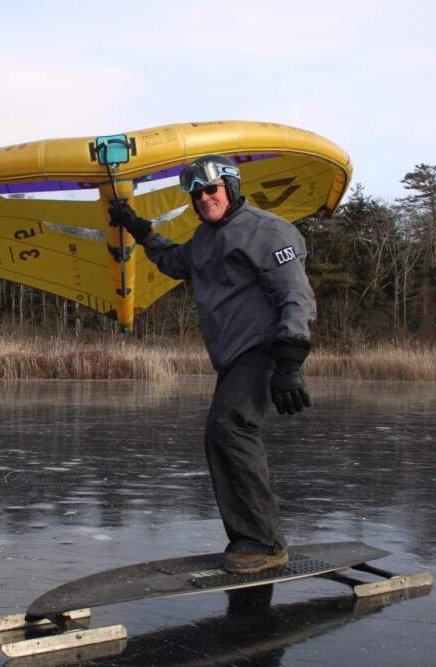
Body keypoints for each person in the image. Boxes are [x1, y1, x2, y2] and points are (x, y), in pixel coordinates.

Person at [109, 155, 316, 574]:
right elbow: (172, 261)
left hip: (262, 349)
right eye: (197, 194)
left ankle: (265, 542)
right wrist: (138, 227)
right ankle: (248, 539)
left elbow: (296, 295)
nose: (204, 198)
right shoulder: (205, 240)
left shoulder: (266, 230)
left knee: (230, 428)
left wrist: (291, 362)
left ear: (232, 188)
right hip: (231, 357)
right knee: (218, 436)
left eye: (212, 190)